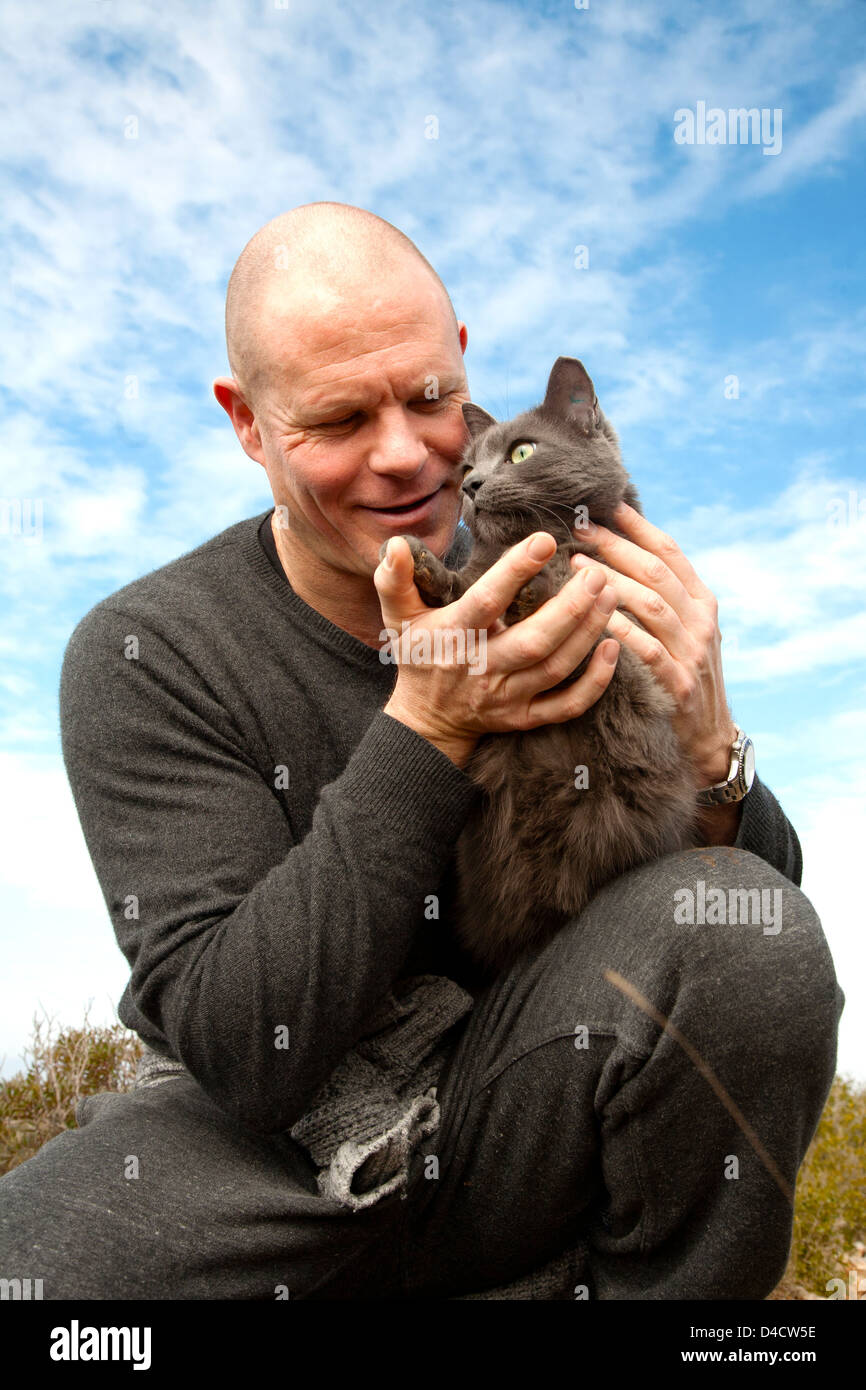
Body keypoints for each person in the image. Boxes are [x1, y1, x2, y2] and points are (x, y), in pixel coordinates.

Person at [0, 202, 843, 1300]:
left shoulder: (575, 574)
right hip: (269, 1141)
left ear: (462, 364)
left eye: (428, 398)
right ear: (248, 423)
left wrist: (711, 754)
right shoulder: (147, 651)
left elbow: (744, 951)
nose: (403, 456)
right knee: (42, 1276)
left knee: (749, 943)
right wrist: (428, 726)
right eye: (338, 418)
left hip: (517, 1095)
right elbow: (244, 1045)